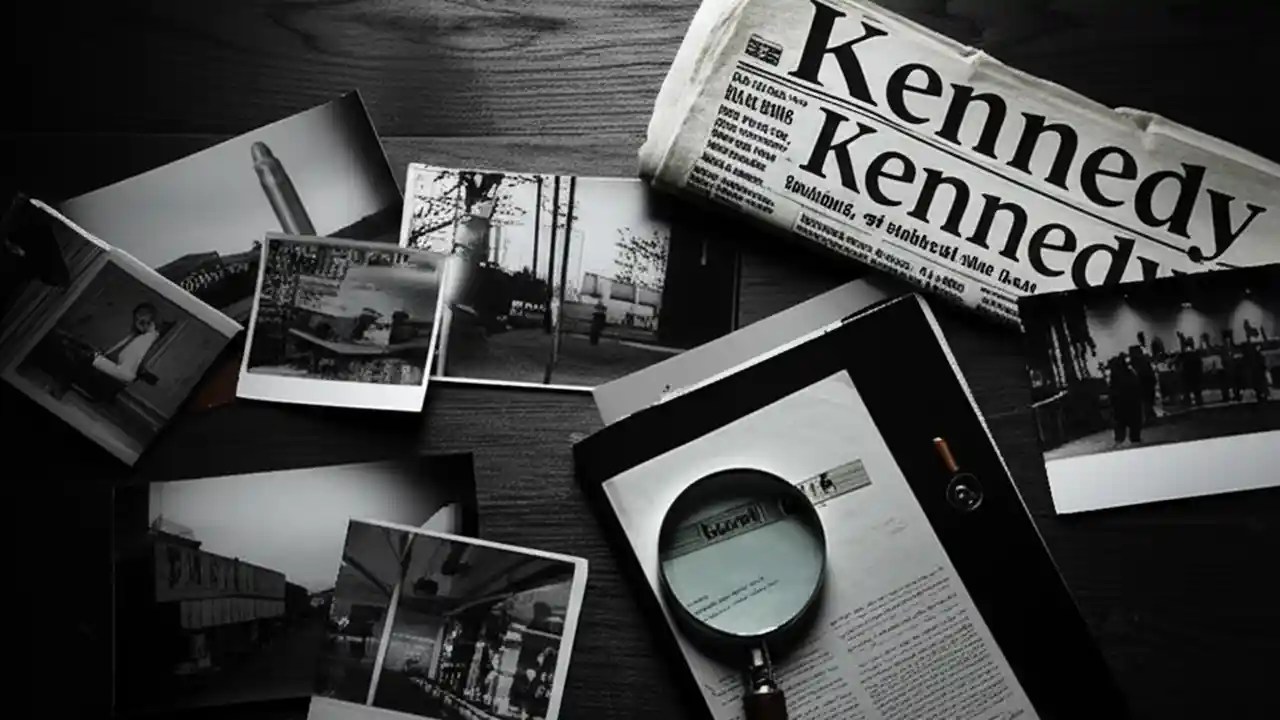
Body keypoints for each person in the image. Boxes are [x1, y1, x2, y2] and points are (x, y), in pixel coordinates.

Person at [34, 301, 161, 400]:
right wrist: (97, 355)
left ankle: (57, 389)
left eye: (142, 321)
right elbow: (112, 356)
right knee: (72, 342)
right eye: (137, 318)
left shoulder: (144, 341)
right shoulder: (138, 335)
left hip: (104, 382)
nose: (137, 324)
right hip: (100, 371)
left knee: (71, 354)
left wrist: (95, 359)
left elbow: (125, 375)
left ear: (150, 322)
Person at [1108, 355, 1143, 446]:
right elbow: (1137, 387)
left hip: (1121, 405)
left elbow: (1112, 391)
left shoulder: (1115, 376)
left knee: (1121, 424)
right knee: (1133, 423)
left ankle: (1121, 440)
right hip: (1131, 403)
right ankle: (1134, 439)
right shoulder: (1130, 374)